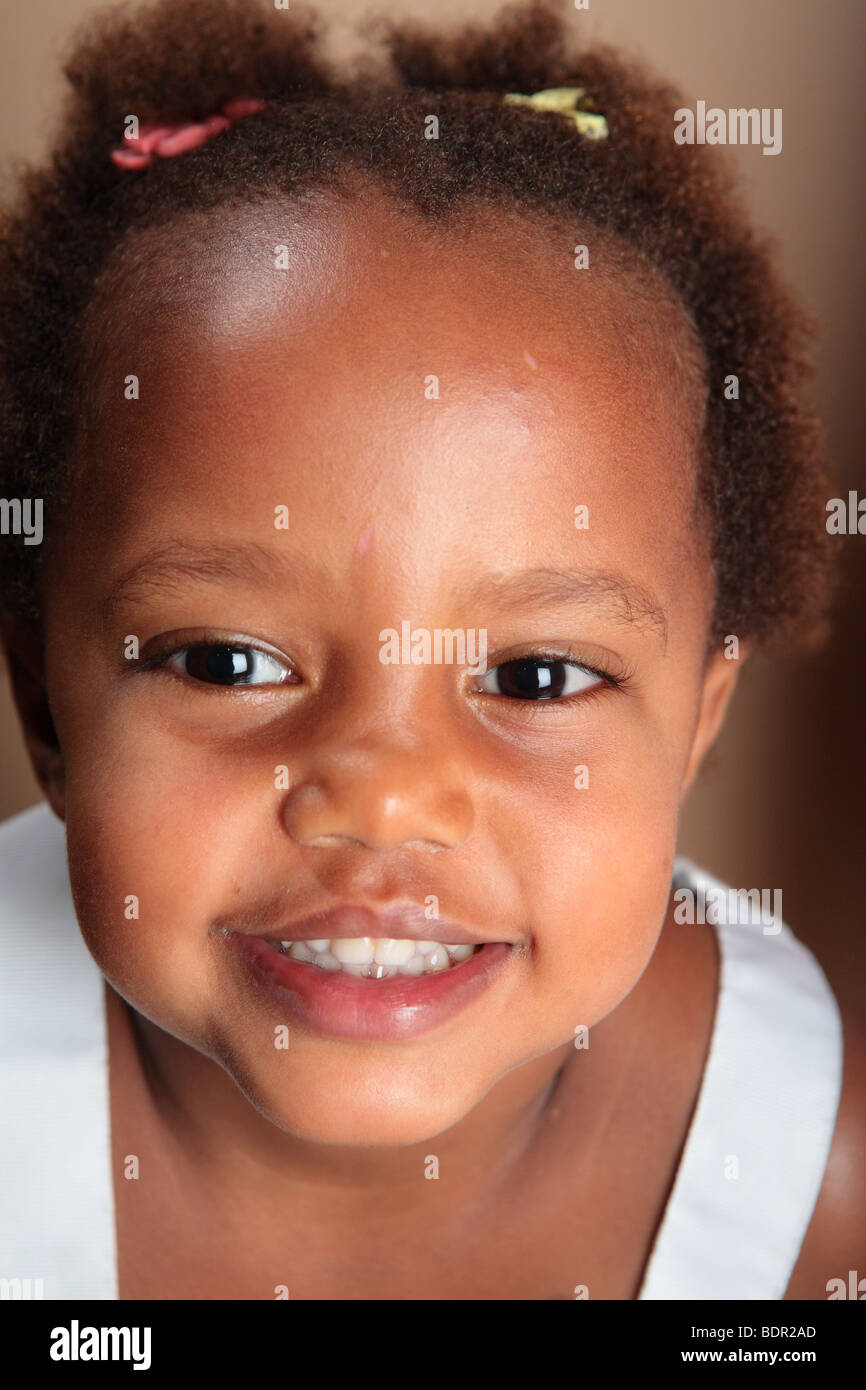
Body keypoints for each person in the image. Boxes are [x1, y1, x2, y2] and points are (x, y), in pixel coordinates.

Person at [0, 0, 862, 1300]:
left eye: (532, 677)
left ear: (695, 720)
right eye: (227, 660)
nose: (384, 792)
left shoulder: (803, 1168)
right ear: (44, 706)